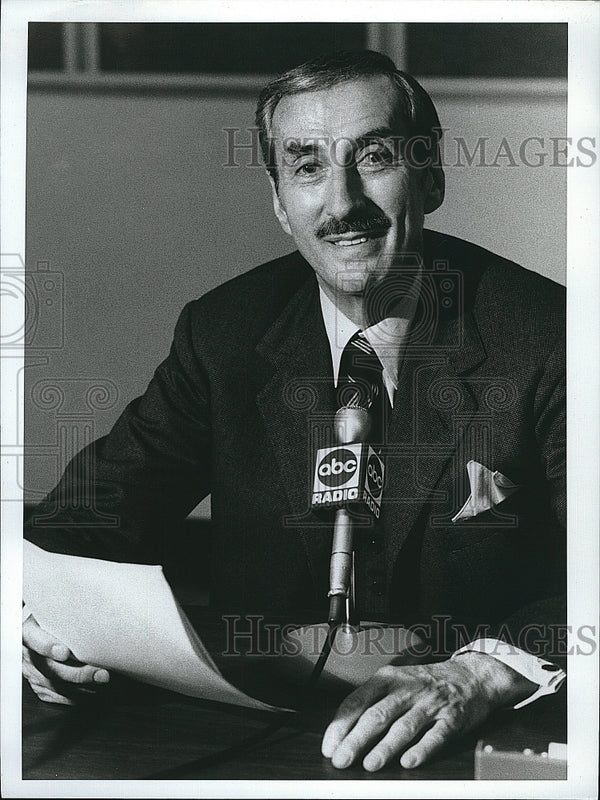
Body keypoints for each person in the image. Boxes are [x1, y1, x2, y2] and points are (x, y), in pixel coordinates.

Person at [23, 50, 566, 772]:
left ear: (432, 175)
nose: (341, 203)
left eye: (372, 157)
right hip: (254, 738)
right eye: (306, 166)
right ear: (280, 201)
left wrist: (481, 673)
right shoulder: (224, 333)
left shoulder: (551, 335)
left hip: (463, 738)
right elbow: (83, 521)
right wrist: (36, 626)